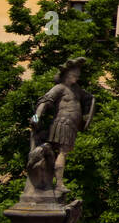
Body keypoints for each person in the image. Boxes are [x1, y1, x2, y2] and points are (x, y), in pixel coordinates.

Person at [30, 57, 95, 192]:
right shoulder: (59, 88)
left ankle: (51, 178)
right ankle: (59, 184)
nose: (77, 77)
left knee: (61, 153)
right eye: (74, 75)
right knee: (63, 152)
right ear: (66, 74)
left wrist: (88, 114)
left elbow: (88, 98)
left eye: (78, 75)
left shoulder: (76, 89)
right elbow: (44, 102)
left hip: (72, 125)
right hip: (62, 123)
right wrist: (36, 117)